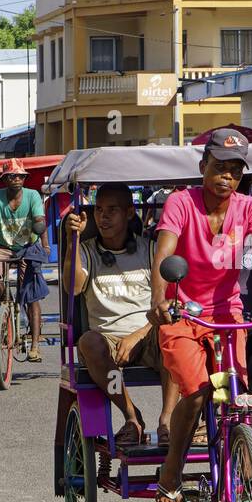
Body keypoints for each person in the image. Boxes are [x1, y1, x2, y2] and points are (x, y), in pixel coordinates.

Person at [148, 128, 252, 502]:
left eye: (234, 170)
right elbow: (164, 252)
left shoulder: (250, 208)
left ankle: (243, 456)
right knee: (196, 392)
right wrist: (159, 300)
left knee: (239, 390)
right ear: (203, 166)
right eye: (219, 167)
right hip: (181, 314)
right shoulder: (181, 203)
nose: (226, 176)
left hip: (226, 316)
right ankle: (171, 472)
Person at [63, 183, 177, 448]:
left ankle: (167, 419)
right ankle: (131, 415)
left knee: (176, 335)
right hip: (107, 342)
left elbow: (170, 301)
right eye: (99, 210)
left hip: (149, 334)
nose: (103, 217)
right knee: (89, 342)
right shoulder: (87, 250)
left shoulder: (150, 249)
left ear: (128, 213)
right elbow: (74, 286)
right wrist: (73, 241)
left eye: (112, 210)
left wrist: (139, 335)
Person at [0, 159, 47, 362]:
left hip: (27, 248)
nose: (16, 179)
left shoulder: (33, 196)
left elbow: (40, 221)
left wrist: (44, 244)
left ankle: (35, 346)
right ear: (4, 179)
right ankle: (6, 303)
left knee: (31, 295)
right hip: (3, 248)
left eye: (20, 176)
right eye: (12, 175)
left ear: (24, 179)